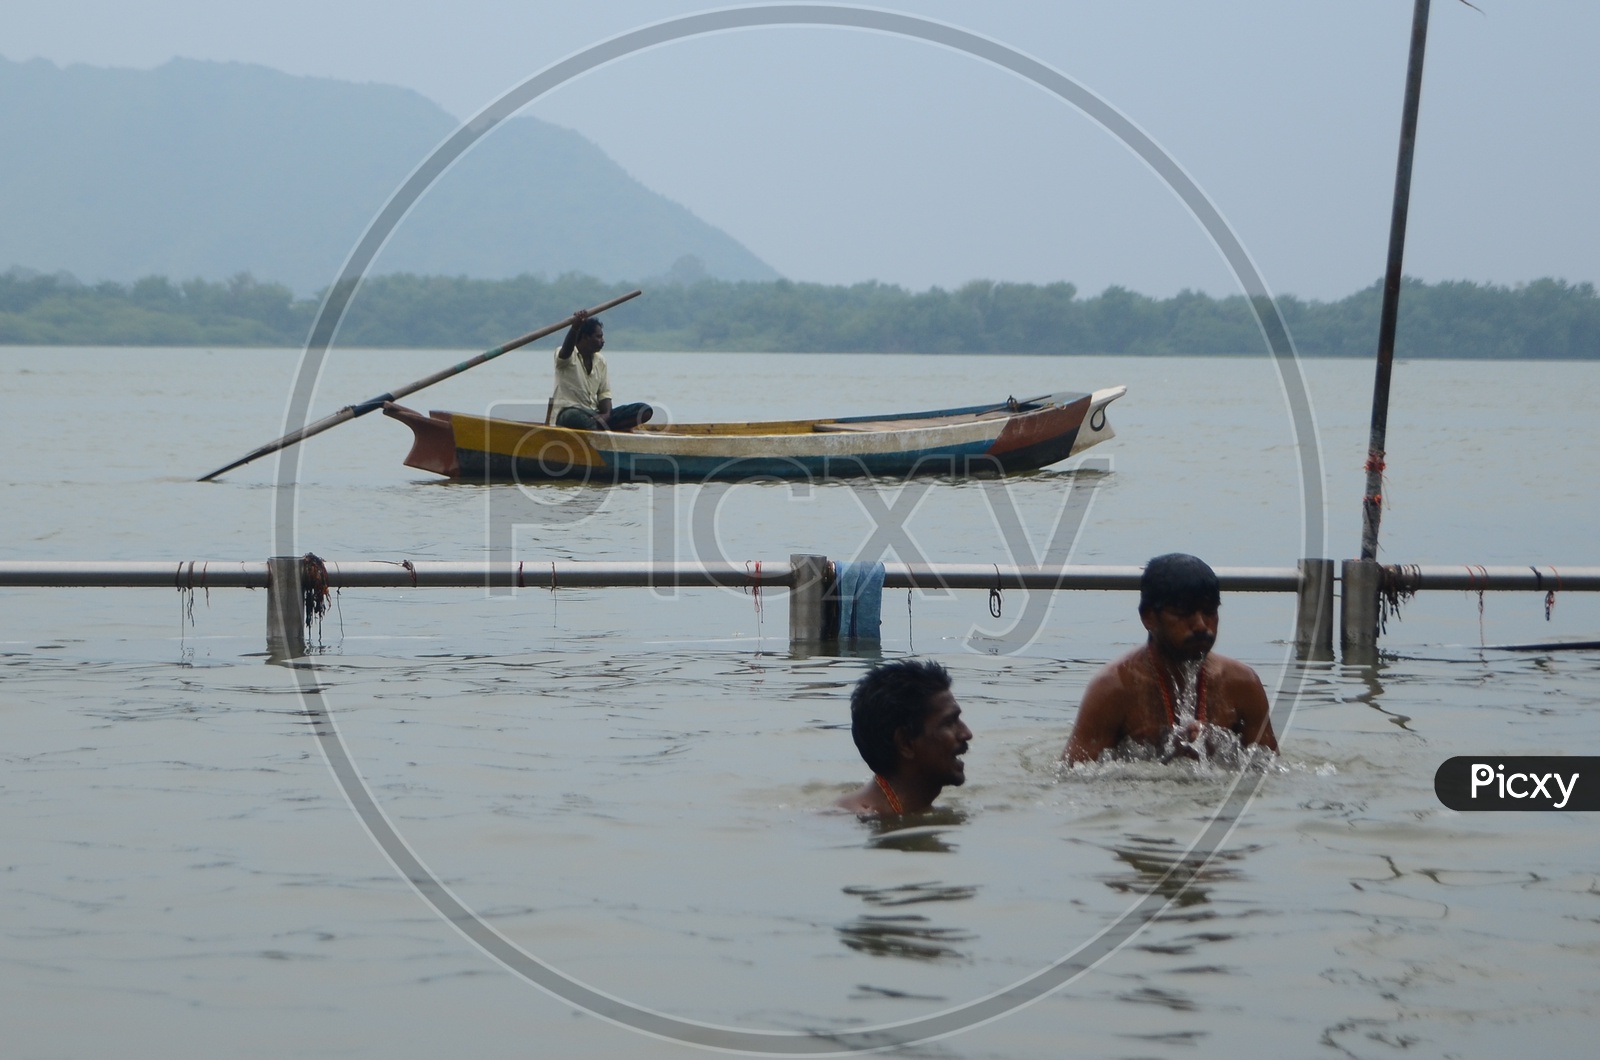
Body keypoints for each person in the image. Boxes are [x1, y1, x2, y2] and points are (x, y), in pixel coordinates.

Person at [1063, 553, 1278, 764]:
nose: (1201, 625)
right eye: (1184, 613)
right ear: (1148, 617)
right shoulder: (1113, 688)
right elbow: (1074, 774)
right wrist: (1160, 757)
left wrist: (1220, 748)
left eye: (1209, 611)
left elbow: (1269, 771)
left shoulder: (1242, 684)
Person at [837, 659, 972, 815]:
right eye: (948, 723)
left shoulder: (897, 810)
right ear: (905, 743)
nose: (967, 734)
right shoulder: (854, 818)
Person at [544, 308, 654, 431]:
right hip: (569, 414)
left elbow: (604, 393)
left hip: (595, 415)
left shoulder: (600, 361)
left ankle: (603, 427)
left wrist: (606, 414)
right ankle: (604, 429)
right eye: (598, 337)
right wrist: (575, 328)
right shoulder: (566, 355)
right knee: (577, 418)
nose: (603, 341)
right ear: (585, 337)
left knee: (644, 410)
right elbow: (565, 352)